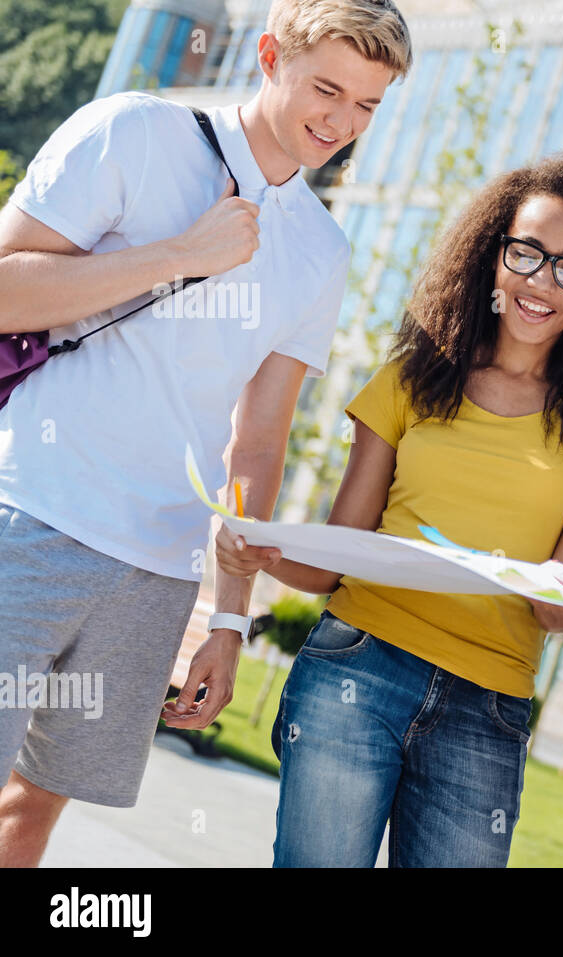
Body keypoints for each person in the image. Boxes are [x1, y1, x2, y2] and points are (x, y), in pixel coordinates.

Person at [0, 0, 411, 865]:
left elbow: (257, 443)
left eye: (368, 106)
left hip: (154, 570)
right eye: (327, 90)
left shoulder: (321, 252)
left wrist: (228, 619)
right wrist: (183, 254)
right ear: (268, 55)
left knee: (31, 812)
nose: (341, 123)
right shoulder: (132, 132)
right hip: (27, 512)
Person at [217, 154, 563, 867]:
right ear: (494, 254)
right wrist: (264, 552)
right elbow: (335, 559)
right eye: (528, 254)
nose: (542, 282)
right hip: (356, 666)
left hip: (487, 707)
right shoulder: (414, 375)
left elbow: (558, 610)